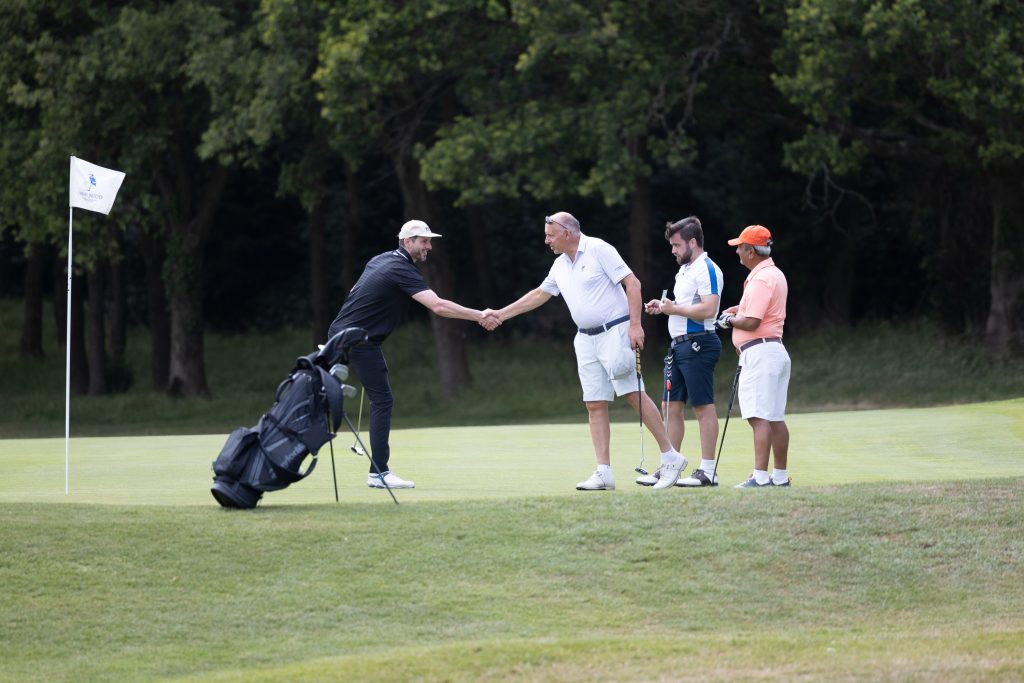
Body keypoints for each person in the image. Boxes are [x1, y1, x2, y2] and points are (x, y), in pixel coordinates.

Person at [485, 212, 686, 491]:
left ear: (567, 233)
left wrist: (636, 325)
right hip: (585, 339)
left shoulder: (599, 249)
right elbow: (539, 294)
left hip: (616, 331)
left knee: (632, 392)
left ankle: (670, 456)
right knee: (594, 402)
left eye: (550, 235)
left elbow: (633, 283)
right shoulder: (559, 265)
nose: (546, 240)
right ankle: (604, 472)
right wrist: (501, 314)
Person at [327, 219, 498, 489]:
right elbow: (438, 306)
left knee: (325, 394)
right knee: (382, 401)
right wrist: (479, 315)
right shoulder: (400, 268)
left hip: (342, 334)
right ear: (408, 242)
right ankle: (379, 473)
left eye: (429, 241)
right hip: (358, 340)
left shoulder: (381, 259)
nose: (429, 246)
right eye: (424, 241)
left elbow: (354, 292)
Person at [640, 216, 724, 487]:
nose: (673, 250)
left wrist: (673, 309)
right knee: (669, 406)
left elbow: (709, 309)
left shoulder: (707, 268)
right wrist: (665, 305)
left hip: (700, 343)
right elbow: (686, 305)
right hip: (679, 346)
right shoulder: (686, 270)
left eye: (676, 245)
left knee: (702, 407)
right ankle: (670, 466)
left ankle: (708, 471)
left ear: (692, 242)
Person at [716, 224, 791, 488]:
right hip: (774, 351)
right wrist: (738, 309)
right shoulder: (774, 273)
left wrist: (727, 321)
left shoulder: (760, 279)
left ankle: (760, 477)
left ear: (750, 251)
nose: (737, 252)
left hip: (759, 352)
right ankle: (779, 477)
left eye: (740, 247)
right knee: (773, 416)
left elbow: (751, 322)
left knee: (759, 416)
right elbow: (758, 310)